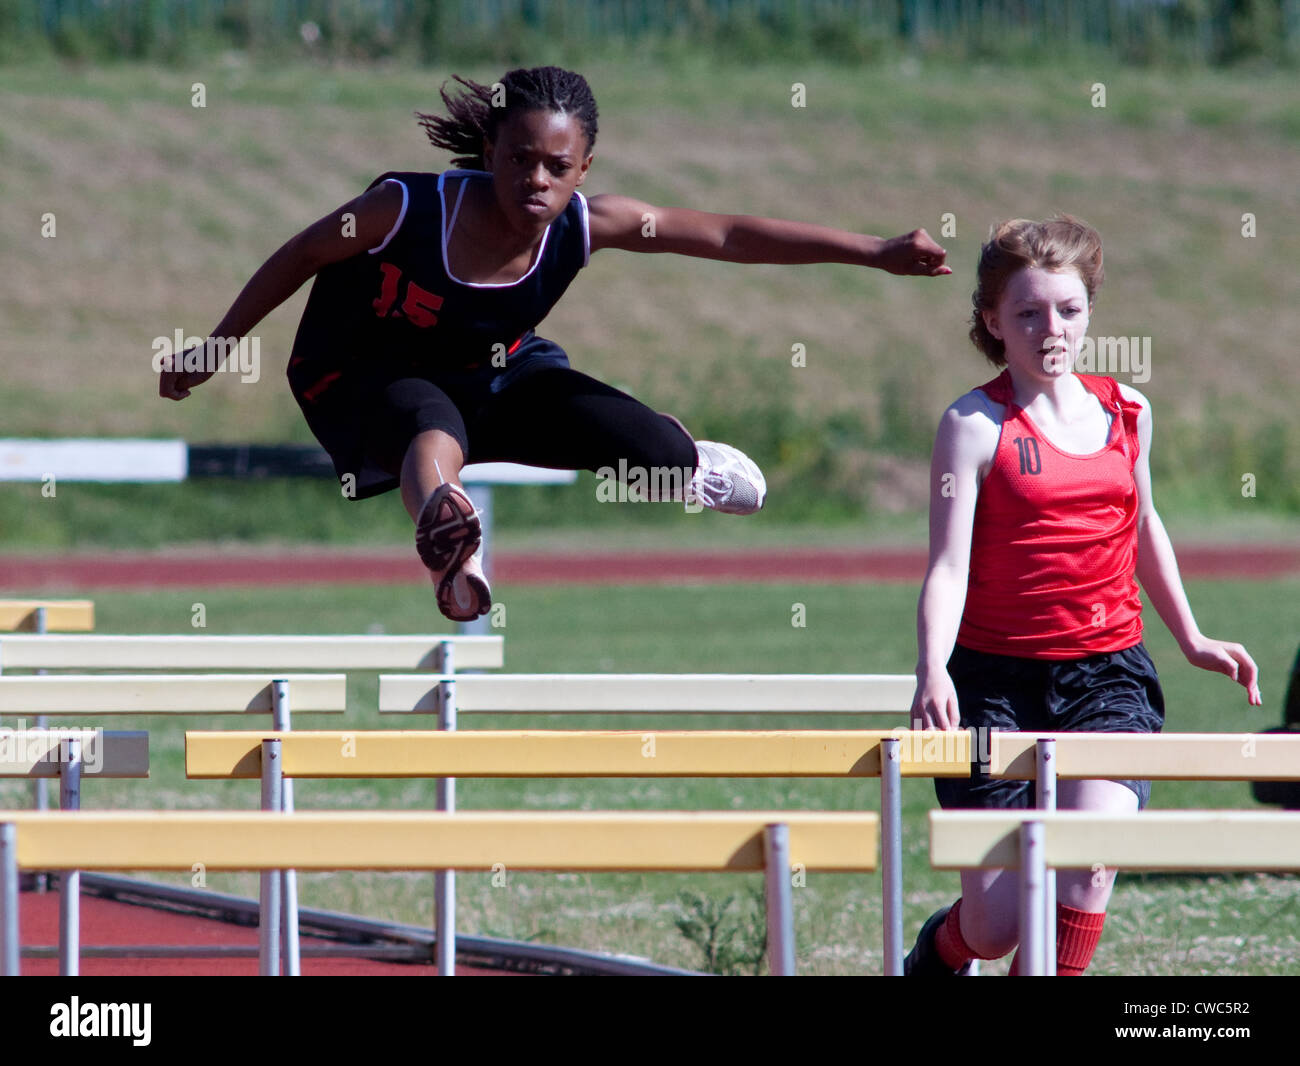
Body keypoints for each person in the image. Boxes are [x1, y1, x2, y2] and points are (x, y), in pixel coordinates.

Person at [159, 65, 950, 621]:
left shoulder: (587, 223)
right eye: (519, 159)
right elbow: (300, 254)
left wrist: (874, 251)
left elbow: (725, 234)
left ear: (584, 170)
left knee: (661, 461)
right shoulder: (401, 208)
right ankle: (448, 536)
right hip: (363, 376)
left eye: (556, 166)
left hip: (496, 373)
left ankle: (685, 462)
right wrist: (216, 346)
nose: (535, 179)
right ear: (491, 151)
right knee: (429, 426)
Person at [906, 215, 1260, 976]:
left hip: (1108, 675)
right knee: (999, 925)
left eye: (1067, 311)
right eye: (1028, 313)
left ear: (1090, 312)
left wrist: (1192, 637)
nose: (1050, 329)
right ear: (993, 321)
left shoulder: (1128, 412)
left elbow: (1143, 527)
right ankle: (940, 952)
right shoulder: (972, 424)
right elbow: (947, 566)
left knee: (1089, 864)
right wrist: (933, 667)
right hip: (993, 683)